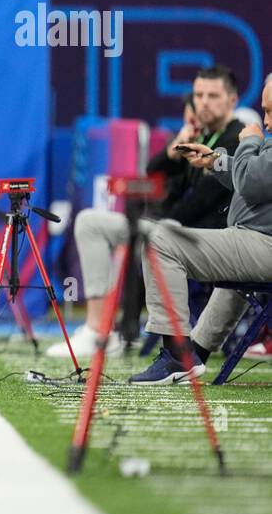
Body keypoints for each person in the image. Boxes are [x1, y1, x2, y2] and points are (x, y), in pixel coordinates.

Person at [51, 66, 244, 359]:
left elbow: (200, 204)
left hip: (202, 238)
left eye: (212, 95)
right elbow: (152, 173)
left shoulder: (235, 139)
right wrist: (172, 151)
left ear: (232, 100)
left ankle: (141, 333)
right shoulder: (199, 135)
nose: (203, 102)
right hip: (169, 226)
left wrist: (152, 224)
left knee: (146, 230)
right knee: (90, 222)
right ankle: (99, 330)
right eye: (199, 95)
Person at [130, 74, 272, 383]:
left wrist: (250, 140)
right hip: (256, 243)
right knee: (233, 268)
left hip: (264, 245)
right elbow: (253, 174)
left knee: (158, 240)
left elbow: (250, 182)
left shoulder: (256, 137)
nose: (266, 121)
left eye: (271, 111)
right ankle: (196, 351)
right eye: (264, 110)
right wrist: (213, 161)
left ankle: (176, 355)